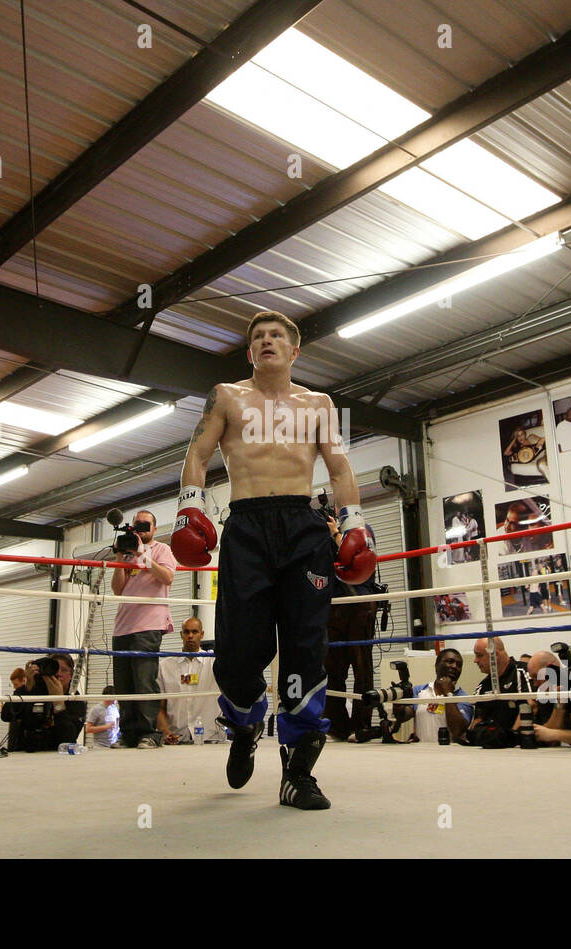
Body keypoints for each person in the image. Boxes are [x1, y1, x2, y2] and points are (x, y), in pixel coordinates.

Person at [171, 310, 376, 810]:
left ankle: (298, 770)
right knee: (240, 650)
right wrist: (188, 510)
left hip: (304, 525)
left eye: (276, 336)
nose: (267, 341)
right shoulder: (226, 395)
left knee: (308, 646)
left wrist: (353, 525)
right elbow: (197, 454)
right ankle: (244, 724)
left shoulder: (319, 403)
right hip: (245, 528)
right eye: (258, 336)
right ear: (249, 352)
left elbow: (339, 464)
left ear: (293, 351)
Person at [110, 510, 178, 748]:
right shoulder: (127, 553)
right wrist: (120, 559)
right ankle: (128, 733)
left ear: (155, 528)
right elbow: (118, 590)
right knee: (124, 683)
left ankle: (150, 732)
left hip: (149, 624)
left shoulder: (162, 550)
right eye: (137, 525)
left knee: (144, 679)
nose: (140, 529)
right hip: (123, 625)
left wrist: (143, 553)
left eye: (145, 525)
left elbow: (167, 577)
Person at [322, 516, 378, 741]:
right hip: (334, 605)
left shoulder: (363, 529)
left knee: (361, 666)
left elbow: (356, 562)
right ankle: (337, 726)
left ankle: (361, 725)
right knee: (333, 668)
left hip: (360, 603)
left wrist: (336, 535)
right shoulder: (322, 533)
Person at [157, 616, 226, 744]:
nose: (190, 636)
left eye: (194, 632)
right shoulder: (165, 666)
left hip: (211, 739)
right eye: (186, 632)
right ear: (181, 635)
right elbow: (159, 707)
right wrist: (165, 732)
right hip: (176, 741)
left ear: (202, 634)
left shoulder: (215, 664)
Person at [0, 653, 81, 751]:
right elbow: (6, 715)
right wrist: (27, 689)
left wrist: (58, 702)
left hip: (56, 756)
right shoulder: (36, 690)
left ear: (71, 674)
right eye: (55, 669)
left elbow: (69, 738)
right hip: (25, 753)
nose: (58, 674)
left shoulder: (75, 698)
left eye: (64, 670)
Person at [391, 649, 473, 744]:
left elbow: (458, 731)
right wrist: (397, 703)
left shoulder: (464, 698)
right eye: (450, 662)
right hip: (423, 754)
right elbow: (404, 715)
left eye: (459, 665)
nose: (454, 666)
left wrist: (448, 694)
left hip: (451, 756)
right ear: (437, 665)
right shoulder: (419, 691)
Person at [464, 637, 531, 748]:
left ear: (495, 655)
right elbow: (476, 722)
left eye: (479, 655)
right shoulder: (482, 686)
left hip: (521, 746)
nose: (475, 660)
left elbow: (530, 705)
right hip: (492, 749)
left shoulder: (521, 672)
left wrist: (510, 737)